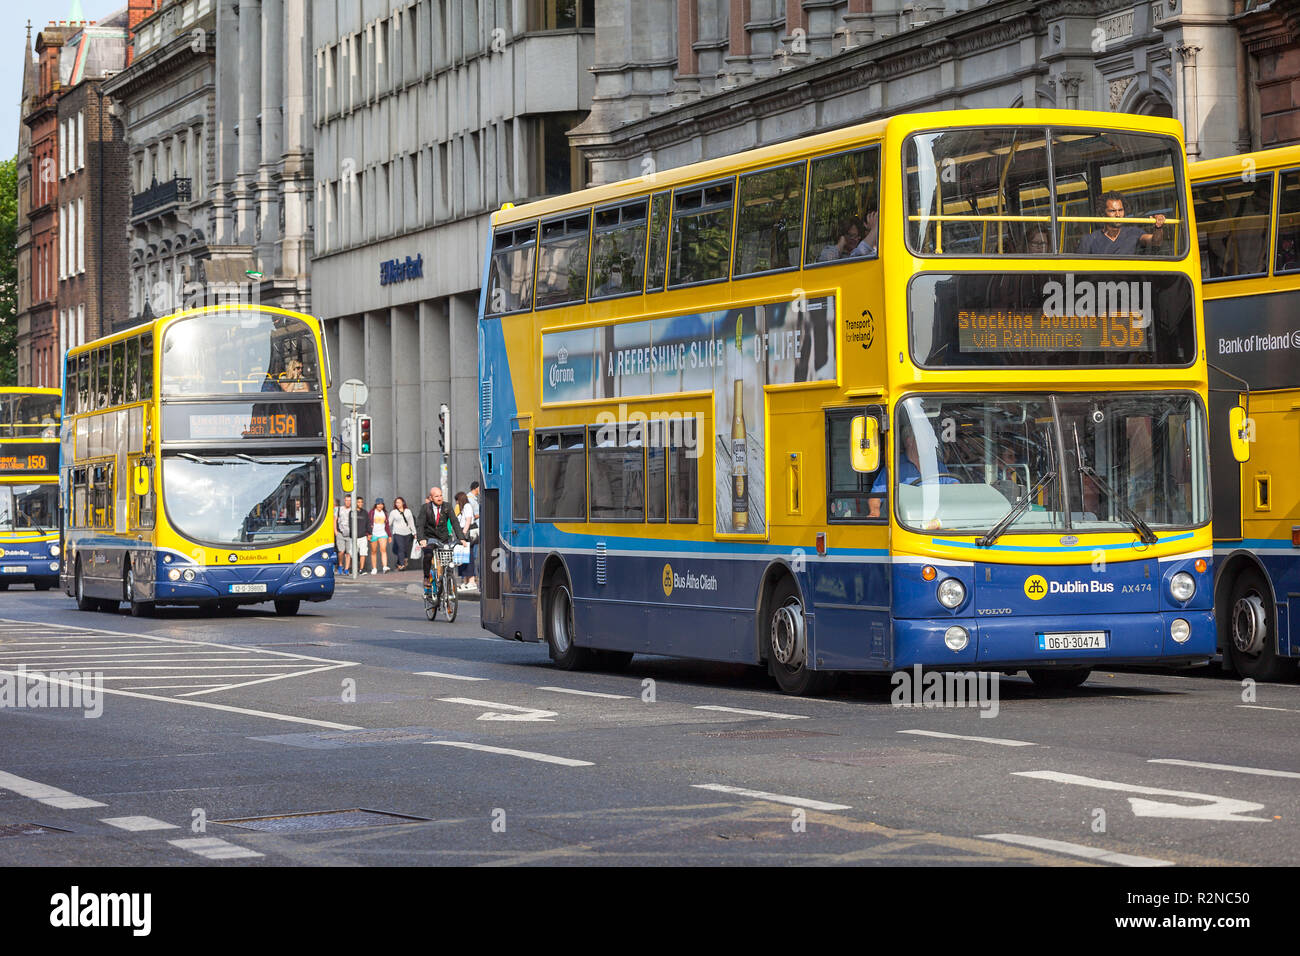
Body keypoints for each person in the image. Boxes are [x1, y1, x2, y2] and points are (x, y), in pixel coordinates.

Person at [867, 421, 958, 518]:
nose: (930, 442)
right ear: (909, 441)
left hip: (937, 519)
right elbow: (876, 495)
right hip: (905, 521)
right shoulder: (893, 467)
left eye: (930, 438)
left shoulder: (937, 465)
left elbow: (954, 486)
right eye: (924, 438)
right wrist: (874, 512)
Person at [1077, 192, 1166, 256]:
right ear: (1102, 214)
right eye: (1112, 211)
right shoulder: (1089, 240)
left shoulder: (1133, 232)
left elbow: (1155, 241)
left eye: (1120, 210)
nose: (1118, 215)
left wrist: (1158, 227)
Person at [417, 486, 467, 591]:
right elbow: (420, 525)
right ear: (431, 498)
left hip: (443, 538)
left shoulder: (447, 506)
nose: (439, 498)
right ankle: (426, 577)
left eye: (440, 495)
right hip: (429, 538)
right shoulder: (425, 508)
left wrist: (461, 538)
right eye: (436, 496)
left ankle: (448, 580)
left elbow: (455, 522)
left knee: (448, 561)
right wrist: (422, 539)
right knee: (428, 554)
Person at [388, 496, 416, 571]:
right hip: (397, 533)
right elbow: (389, 523)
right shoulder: (393, 512)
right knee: (400, 548)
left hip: (407, 533)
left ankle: (400, 563)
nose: (397, 504)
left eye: (399, 502)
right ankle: (402, 564)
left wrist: (414, 533)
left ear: (403, 503)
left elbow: (411, 522)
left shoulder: (408, 511)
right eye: (396, 502)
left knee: (405, 549)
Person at [464, 481, 481, 590]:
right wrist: (484, 512)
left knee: (473, 554)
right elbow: (473, 515)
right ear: (476, 488)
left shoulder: (473, 498)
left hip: (474, 529)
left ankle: (471, 577)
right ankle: (472, 578)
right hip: (473, 530)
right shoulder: (470, 499)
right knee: (473, 555)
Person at [455, 491, 473, 583]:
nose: (457, 503)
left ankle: (471, 581)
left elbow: (468, 520)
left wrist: (463, 534)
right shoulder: (463, 508)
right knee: (463, 557)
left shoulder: (467, 506)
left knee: (467, 557)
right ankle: (466, 581)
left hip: (465, 534)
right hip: (462, 533)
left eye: (457, 501)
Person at [370, 498, 390, 573]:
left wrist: (389, 535)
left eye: (381, 504)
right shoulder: (372, 512)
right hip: (374, 534)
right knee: (373, 551)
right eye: (378, 504)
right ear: (376, 505)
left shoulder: (384, 513)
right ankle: (374, 568)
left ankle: (384, 566)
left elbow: (387, 525)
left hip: (383, 533)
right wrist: (368, 534)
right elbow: (368, 523)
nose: (380, 506)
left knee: (383, 550)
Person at [334, 494, 353, 575]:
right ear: (344, 501)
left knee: (349, 552)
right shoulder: (339, 509)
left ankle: (346, 568)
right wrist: (335, 531)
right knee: (341, 551)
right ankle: (340, 565)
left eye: (349, 500)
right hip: (340, 533)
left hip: (350, 534)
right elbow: (335, 520)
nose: (348, 502)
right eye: (346, 500)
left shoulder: (353, 510)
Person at [352, 496, 371, 574]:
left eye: (361, 502)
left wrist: (369, 533)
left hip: (363, 536)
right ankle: (354, 569)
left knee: (363, 553)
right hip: (354, 537)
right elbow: (350, 524)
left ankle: (361, 569)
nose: (360, 503)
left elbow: (368, 524)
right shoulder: (352, 512)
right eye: (358, 502)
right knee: (353, 554)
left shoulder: (365, 512)